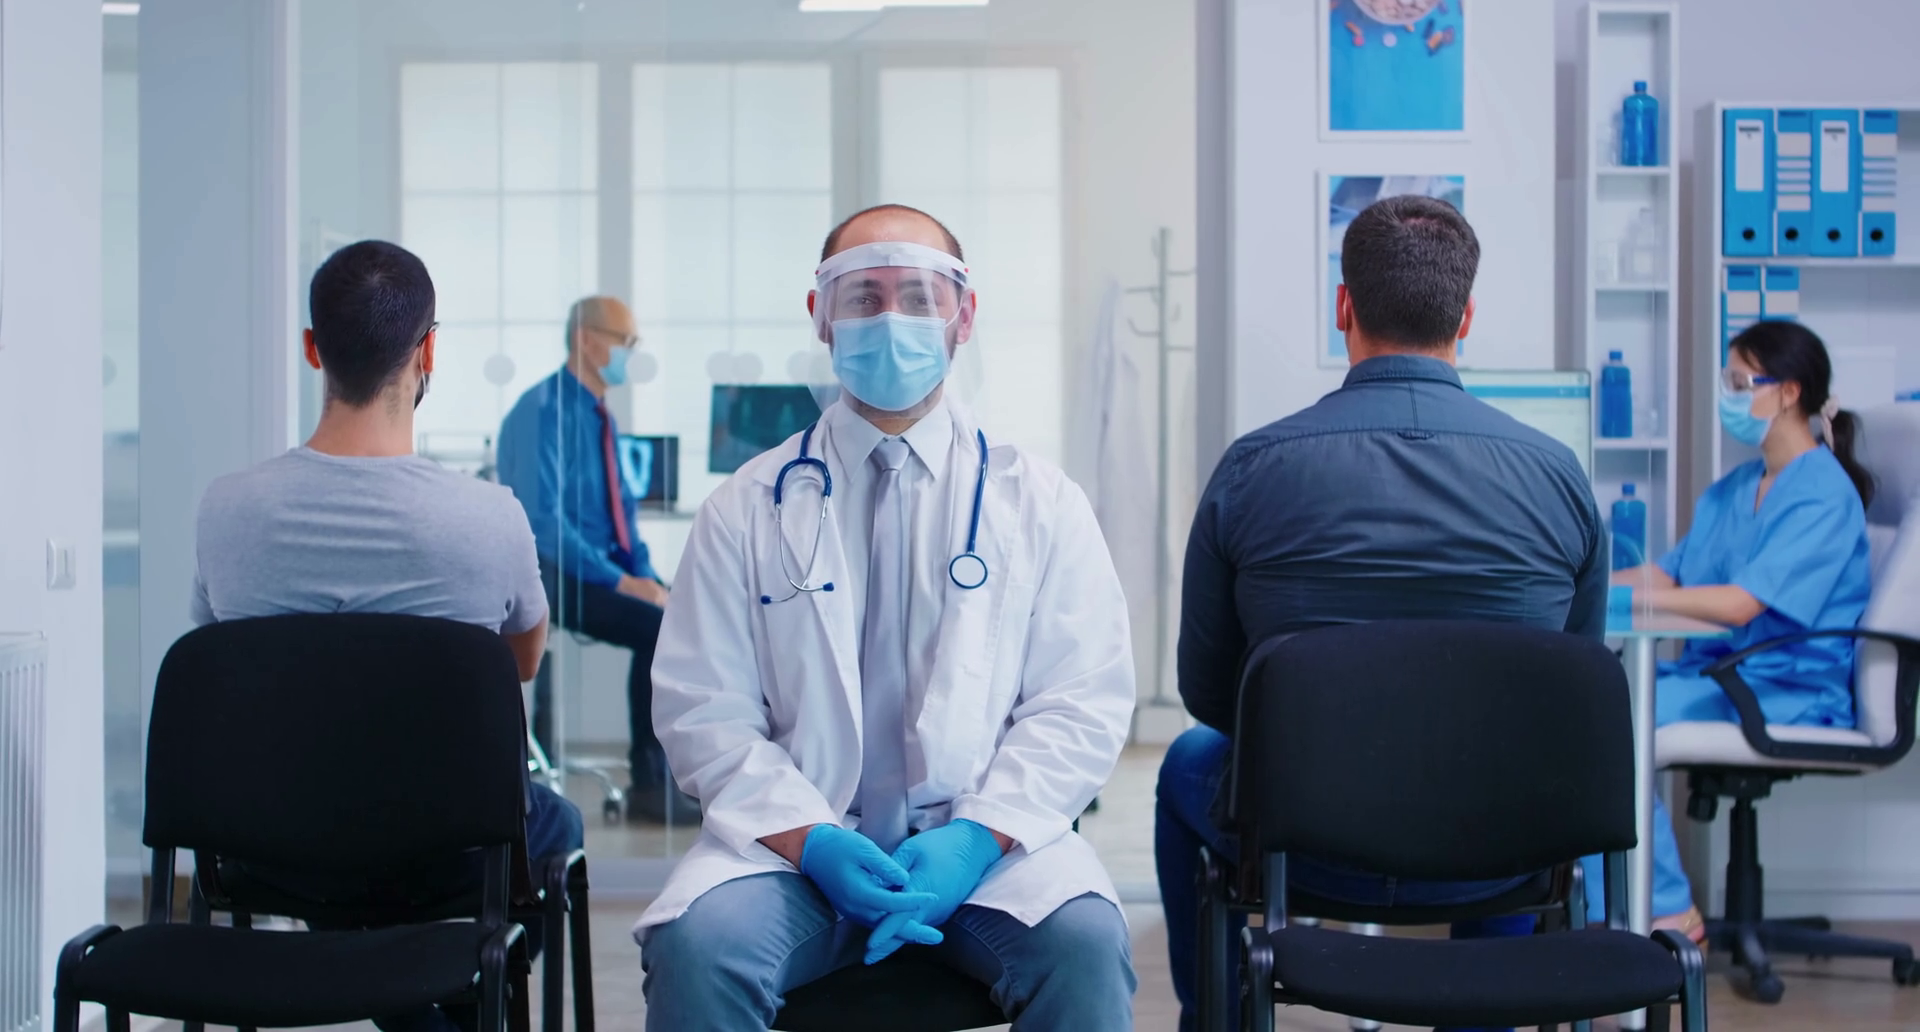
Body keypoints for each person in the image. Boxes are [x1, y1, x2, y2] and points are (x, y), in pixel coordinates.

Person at [635, 205, 1138, 1030]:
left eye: (918, 297)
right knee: (700, 949)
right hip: (795, 856)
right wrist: (812, 840)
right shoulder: (744, 508)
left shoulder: (1040, 504)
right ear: (822, 319)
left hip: (985, 853)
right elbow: (703, 711)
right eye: (864, 298)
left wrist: (980, 837)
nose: (891, 320)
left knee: (1085, 948)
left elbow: (1080, 702)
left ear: (963, 316)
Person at [1162, 195, 1607, 1032]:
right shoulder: (1559, 477)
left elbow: (1210, 694)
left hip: (1304, 849)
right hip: (1495, 856)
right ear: (1465, 316)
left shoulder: (1253, 468)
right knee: (1526, 772)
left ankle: (1214, 1022)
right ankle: (1485, 1016)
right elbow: (1568, 691)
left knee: (1188, 760)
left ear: (1344, 308)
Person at [190, 239, 583, 1032]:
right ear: (429, 348)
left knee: (342, 832)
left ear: (312, 350)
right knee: (555, 825)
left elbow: (224, 663)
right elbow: (519, 664)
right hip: (448, 854)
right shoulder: (487, 517)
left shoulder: (226, 510)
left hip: (276, 852)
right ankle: (463, 1004)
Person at [1593, 319, 1874, 942]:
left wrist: (1647, 608)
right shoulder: (1736, 490)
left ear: (1789, 392)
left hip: (1781, 688)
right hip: (1718, 675)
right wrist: (1585, 583)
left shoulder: (1823, 495)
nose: (1729, 394)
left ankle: (1666, 910)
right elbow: (1668, 577)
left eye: (1739, 381)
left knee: (1608, 731)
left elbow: (1744, 605)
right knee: (1583, 710)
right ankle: (1607, 916)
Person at [497, 296, 698, 823]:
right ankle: (649, 784)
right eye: (625, 342)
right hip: (556, 575)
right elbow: (544, 525)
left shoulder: (599, 416)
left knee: (688, 614)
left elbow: (622, 516)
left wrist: (646, 575)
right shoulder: (541, 412)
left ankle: (688, 772)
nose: (631, 354)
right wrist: (625, 584)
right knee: (658, 627)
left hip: (604, 568)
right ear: (587, 340)